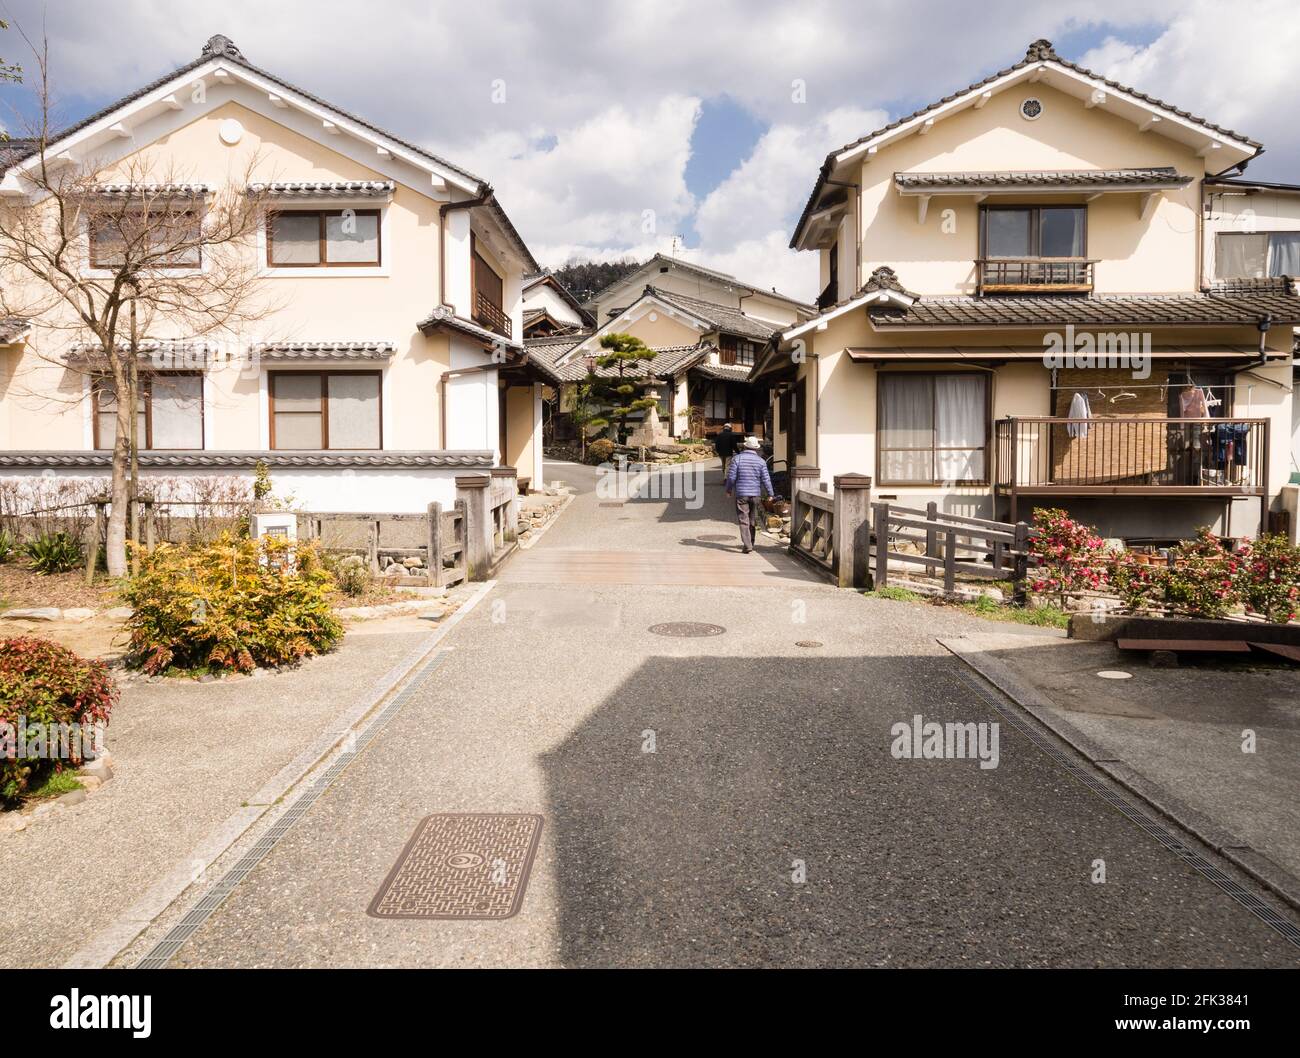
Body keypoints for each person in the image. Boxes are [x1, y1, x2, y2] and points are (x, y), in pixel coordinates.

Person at [725, 436, 773, 554]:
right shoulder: (761, 461)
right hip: (755, 494)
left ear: (745, 446)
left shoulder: (737, 459)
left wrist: (729, 490)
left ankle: (747, 545)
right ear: (756, 449)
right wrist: (770, 493)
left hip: (741, 494)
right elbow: (766, 479)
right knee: (752, 518)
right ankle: (751, 541)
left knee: (743, 519)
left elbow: (731, 477)